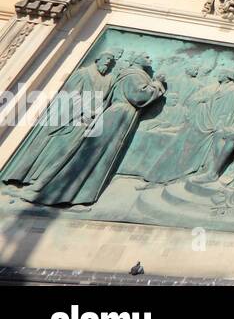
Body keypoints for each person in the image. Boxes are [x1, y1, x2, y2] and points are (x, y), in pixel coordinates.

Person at [24, 53, 166, 207]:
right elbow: (139, 96)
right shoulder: (134, 75)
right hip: (118, 116)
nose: (150, 59)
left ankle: (74, 195)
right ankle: (62, 195)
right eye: (146, 57)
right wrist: (157, 84)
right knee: (95, 154)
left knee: (99, 154)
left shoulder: (133, 74)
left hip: (119, 115)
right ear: (135, 59)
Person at [1, 48, 119, 188]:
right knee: (42, 145)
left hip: (83, 122)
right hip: (64, 117)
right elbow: (71, 94)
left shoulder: (107, 80)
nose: (108, 63)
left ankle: (36, 181)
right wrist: (85, 109)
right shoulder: (82, 74)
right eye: (106, 58)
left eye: (111, 61)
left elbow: (103, 100)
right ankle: (17, 176)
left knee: (59, 153)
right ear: (98, 59)